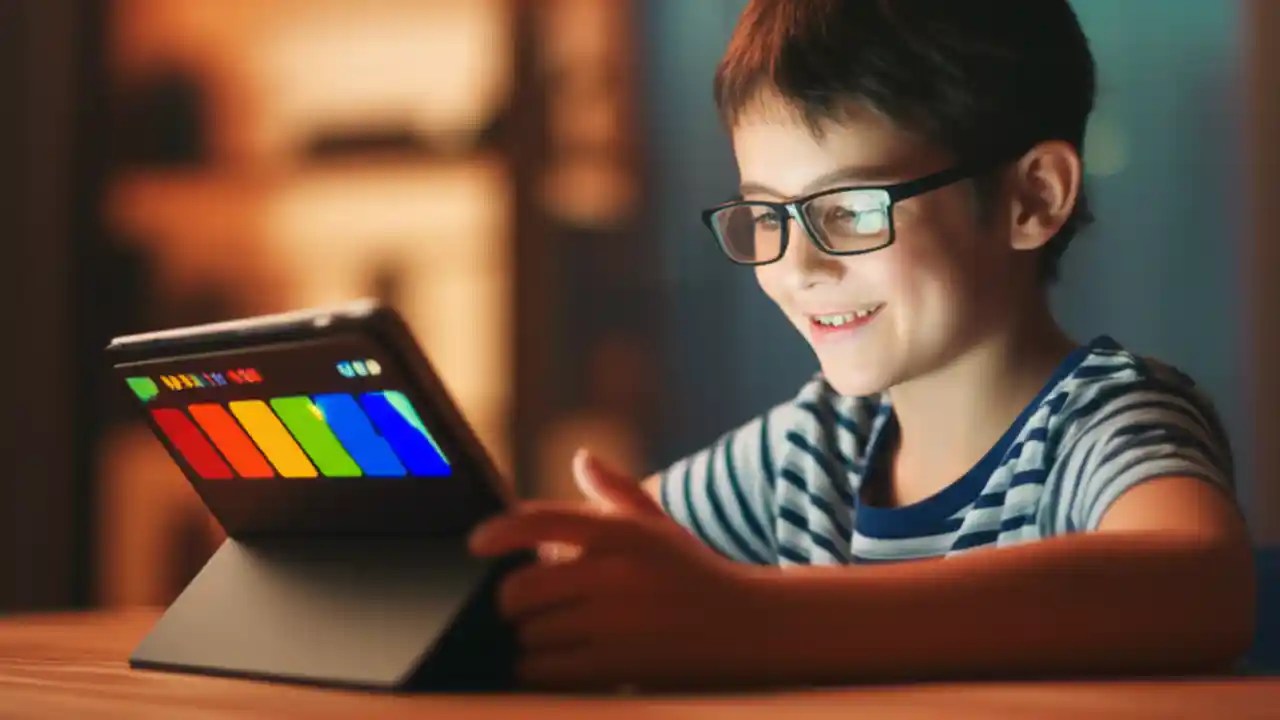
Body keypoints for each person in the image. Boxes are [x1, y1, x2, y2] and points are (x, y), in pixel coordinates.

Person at [469, 0, 1256, 690]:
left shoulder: (1104, 423)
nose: (798, 266)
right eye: (769, 215)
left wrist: (755, 624)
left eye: (849, 209)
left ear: (1032, 197)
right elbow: (593, 584)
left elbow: (1198, 584)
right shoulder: (811, 456)